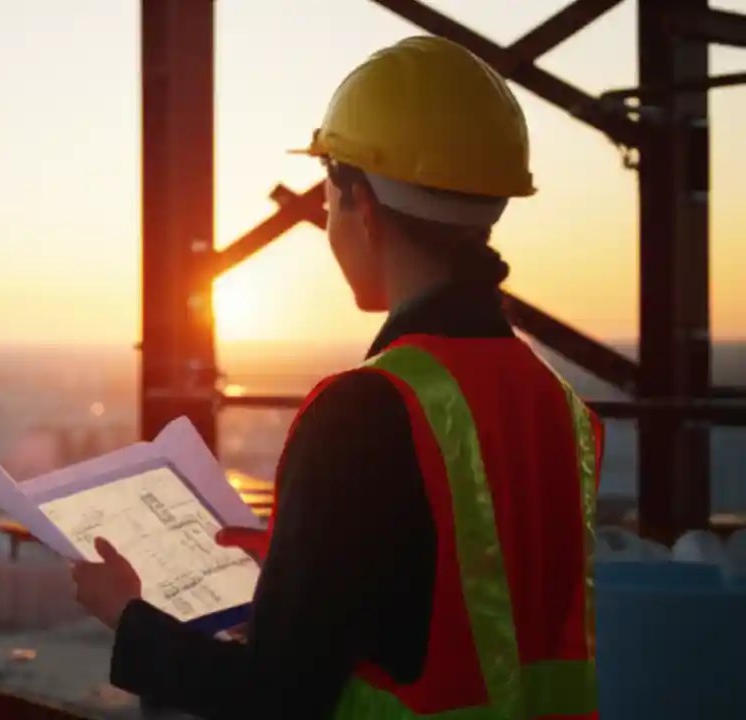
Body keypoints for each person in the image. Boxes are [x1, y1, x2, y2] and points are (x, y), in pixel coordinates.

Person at [71, 35, 603, 720]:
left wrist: (128, 618)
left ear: (363, 206)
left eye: (328, 195)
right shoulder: (556, 402)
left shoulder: (369, 412)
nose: (325, 218)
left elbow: (276, 698)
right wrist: (306, 559)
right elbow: (460, 603)